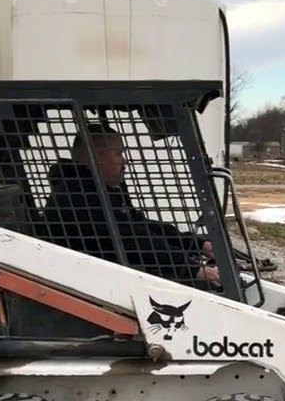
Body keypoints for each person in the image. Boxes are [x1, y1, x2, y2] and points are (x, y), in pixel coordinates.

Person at [36, 123, 220, 287]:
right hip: (88, 284)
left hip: (104, 277)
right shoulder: (77, 196)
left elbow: (138, 225)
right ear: (97, 156)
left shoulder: (98, 189)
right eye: (119, 153)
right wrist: (189, 267)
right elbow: (131, 239)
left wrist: (196, 243)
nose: (125, 160)